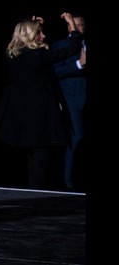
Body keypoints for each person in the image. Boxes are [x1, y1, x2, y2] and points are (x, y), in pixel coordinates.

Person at [0, 14, 84, 190]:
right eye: (39, 33)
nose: (43, 36)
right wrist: (72, 27)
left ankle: (33, 194)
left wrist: (32, 23)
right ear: (32, 36)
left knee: (32, 159)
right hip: (40, 118)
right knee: (40, 160)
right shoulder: (39, 55)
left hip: (23, 118)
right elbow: (72, 49)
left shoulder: (13, 55)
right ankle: (36, 197)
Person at [52, 13, 86, 191]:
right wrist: (79, 65)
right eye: (76, 25)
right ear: (69, 27)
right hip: (72, 99)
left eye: (81, 25)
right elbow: (56, 73)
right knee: (76, 137)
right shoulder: (61, 46)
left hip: (83, 97)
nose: (79, 28)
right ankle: (68, 180)